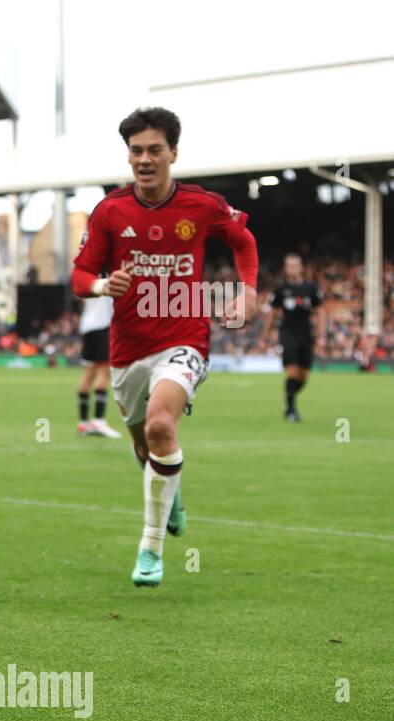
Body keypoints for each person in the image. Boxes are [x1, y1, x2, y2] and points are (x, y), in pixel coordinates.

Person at [72, 106, 259, 587]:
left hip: (184, 339)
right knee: (146, 444)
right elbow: (79, 276)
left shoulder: (202, 205)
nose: (145, 158)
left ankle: (150, 547)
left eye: (155, 149)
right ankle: (169, 490)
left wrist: (249, 288)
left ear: (173, 152)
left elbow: (242, 239)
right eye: (136, 150)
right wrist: (101, 286)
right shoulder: (110, 212)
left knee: (160, 424)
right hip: (128, 351)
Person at [269, 253, 322, 422]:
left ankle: (289, 398)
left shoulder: (311, 288)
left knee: (303, 377)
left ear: (301, 268)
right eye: (288, 265)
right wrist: (266, 333)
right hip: (288, 334)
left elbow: (320, 311)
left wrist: (321, 334)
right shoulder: (280, 289)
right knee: (292, 373)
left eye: (294, 265)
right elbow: (273, 312)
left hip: (306, 335)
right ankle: (291, 409)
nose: (291, 268)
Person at [76, 295, 122, 438]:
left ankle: (83, 423)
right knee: (104, 373)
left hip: (86, 327)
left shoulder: (87, 279)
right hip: (102, 327)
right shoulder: (108, 276)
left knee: (87, 375)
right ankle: (98, 421)